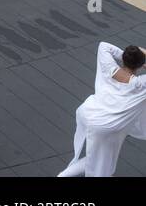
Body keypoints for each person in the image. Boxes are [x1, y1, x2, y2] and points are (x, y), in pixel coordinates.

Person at [58, 42, 146, 178]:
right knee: (102, 164)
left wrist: (129, 54)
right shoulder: (140, 84)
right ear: (140, 65)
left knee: (97, 157)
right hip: (106, 125)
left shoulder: (108, 66)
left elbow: (104, 45)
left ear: (123, 59)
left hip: (88, 112)